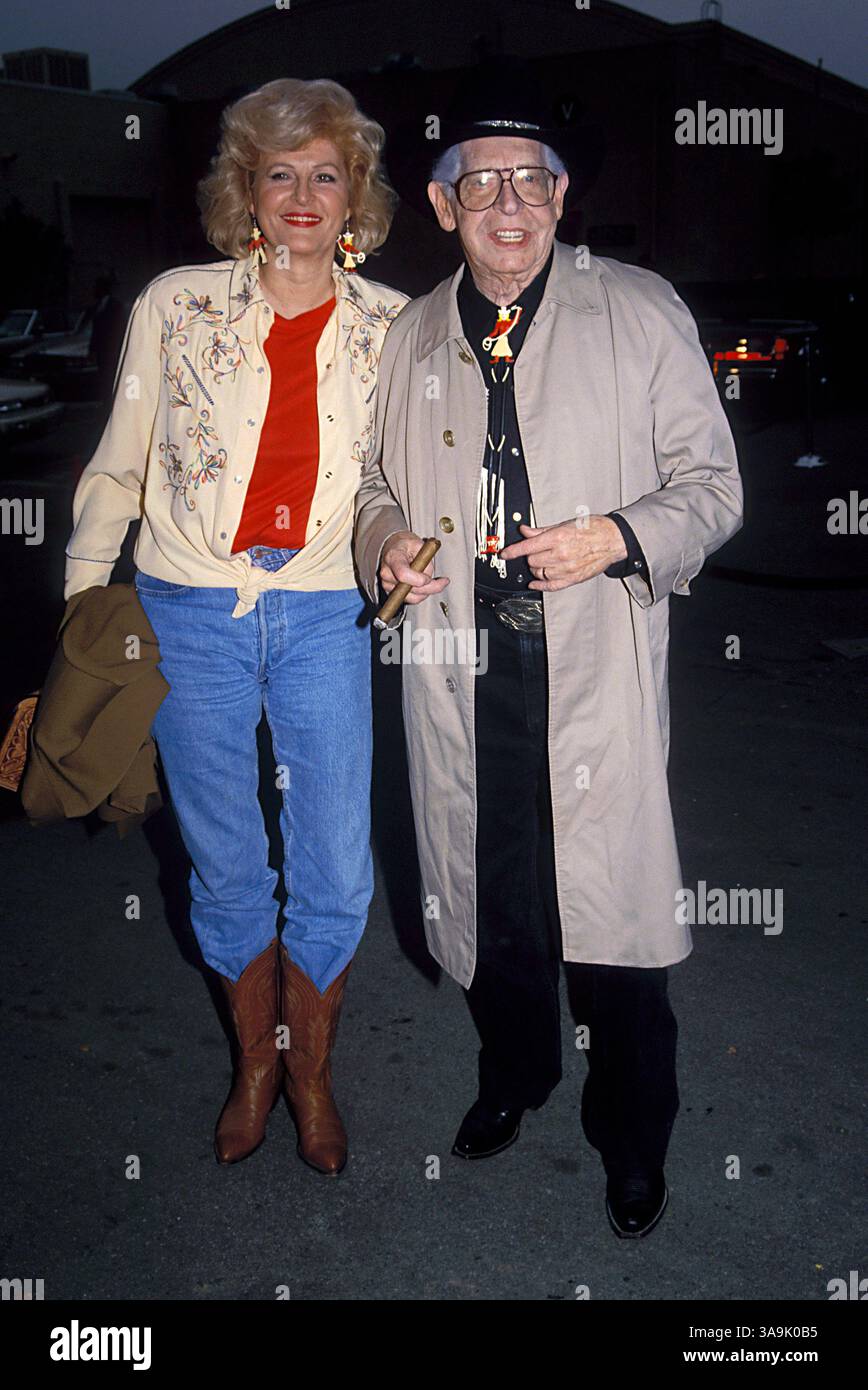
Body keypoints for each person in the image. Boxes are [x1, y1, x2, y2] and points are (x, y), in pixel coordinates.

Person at [355, 82, 743, 1237]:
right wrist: (385, 542)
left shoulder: (638, 308)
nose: (509, 203)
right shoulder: (412, 332)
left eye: (533, 180)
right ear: (443, 203)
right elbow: (374, 484)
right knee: (496, 906)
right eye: (484, 181)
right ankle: (515, 1074)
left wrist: (620, 536)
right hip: (459, 664)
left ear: (562, 196)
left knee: (612, 926)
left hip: (589, 665)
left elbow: (715, 487)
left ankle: (632, 1138)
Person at [64, 78, 407, 1174]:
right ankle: (253, 1062)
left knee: (336, 867)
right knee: (222, 863)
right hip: (187, 609)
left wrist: (399, 549)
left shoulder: (393, 329)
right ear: (244, 192)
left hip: (321, 615)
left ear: (353, 193)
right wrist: (83, 616)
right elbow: (118, 464)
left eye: (325, 174)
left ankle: (309, 1070)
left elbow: (384, 490)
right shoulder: (175, 305)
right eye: (279, 174)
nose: (302, 195)